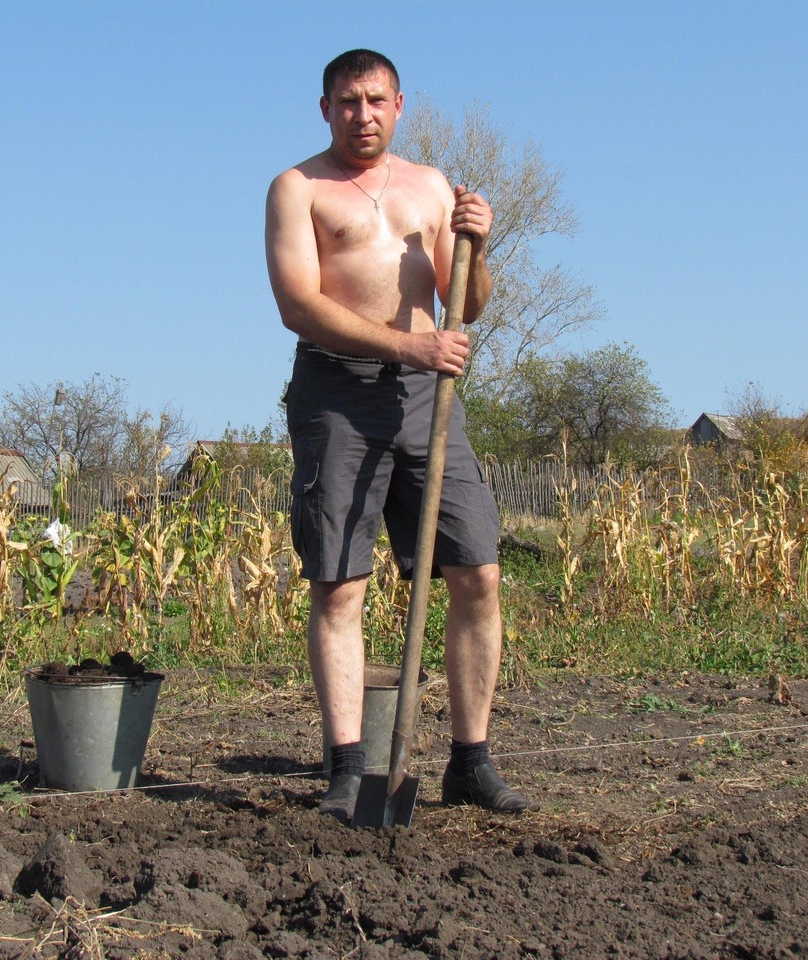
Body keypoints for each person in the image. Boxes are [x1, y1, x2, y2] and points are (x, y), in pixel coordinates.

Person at [265, 49, 537, 822]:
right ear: (325, 108)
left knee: (476, 574)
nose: (363, 114)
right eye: (348, 102)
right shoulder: (297, 188)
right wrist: (405, 345)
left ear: (400, 104)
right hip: (338, 397)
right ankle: (349, 771)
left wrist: (478, 245)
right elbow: (298, 305)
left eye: (376, 100)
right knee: (339, 584)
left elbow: (468, 303)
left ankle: (470, 763)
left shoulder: (429, 187)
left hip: (429, 400)